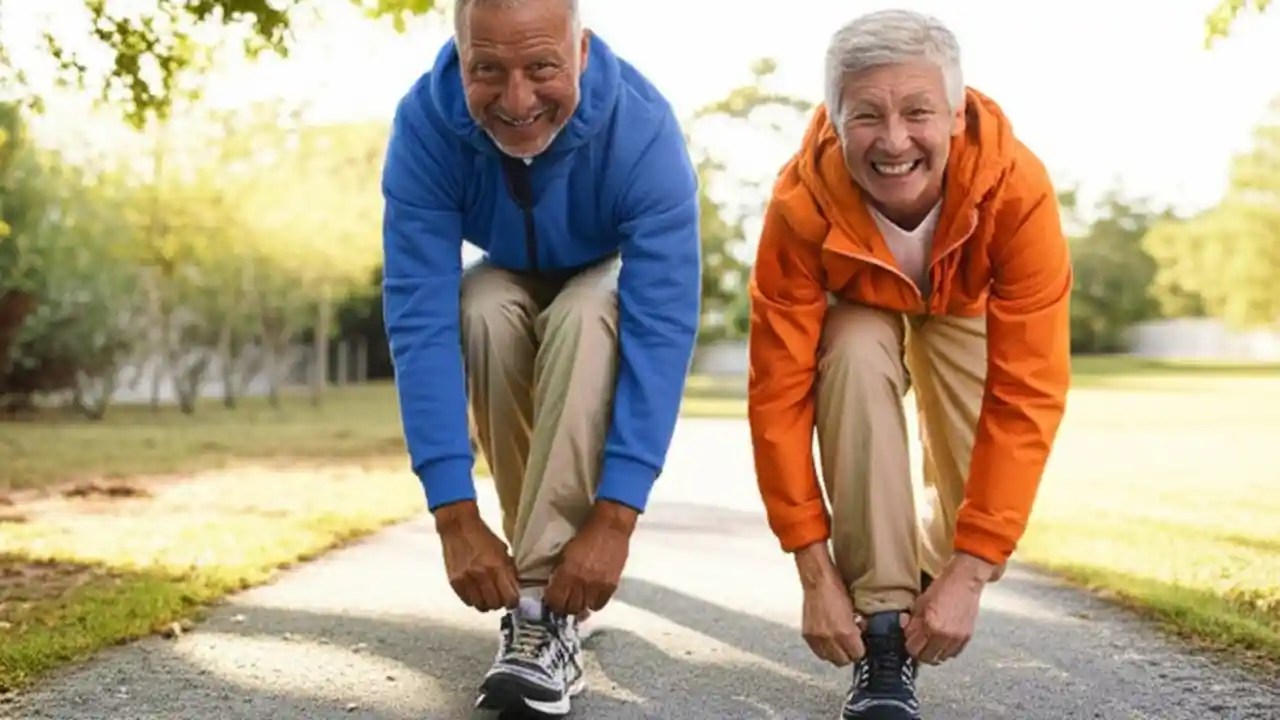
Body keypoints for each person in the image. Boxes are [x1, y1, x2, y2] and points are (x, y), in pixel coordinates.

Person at [745, 9, 1071, 720]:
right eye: (867, 115)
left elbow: (1029, 389)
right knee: (855, 344)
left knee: (977, 518)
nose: (894, 141)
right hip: (862, 310)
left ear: (955, 113)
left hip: (966, 310)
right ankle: (884, 628)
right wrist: (813, 571)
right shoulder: (799, 204)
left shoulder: (1018, 190)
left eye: (918, 112)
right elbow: (778, 394)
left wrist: (971, 569)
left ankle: (931, 562)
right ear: (834, 120)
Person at [378, 0, 701, 715]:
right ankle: (546, 593)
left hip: (599, 275)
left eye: (542, 68)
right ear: (460, 57)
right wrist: (453, 516)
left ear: (580, 52)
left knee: (587, 315)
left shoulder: (641, 131)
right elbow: (419, 321)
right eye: (487, 70)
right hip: (503, 274)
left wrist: (615, 520)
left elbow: (662, 328)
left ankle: (540, 616)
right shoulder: (426, 125)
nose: (517, 100)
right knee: (480, 306)